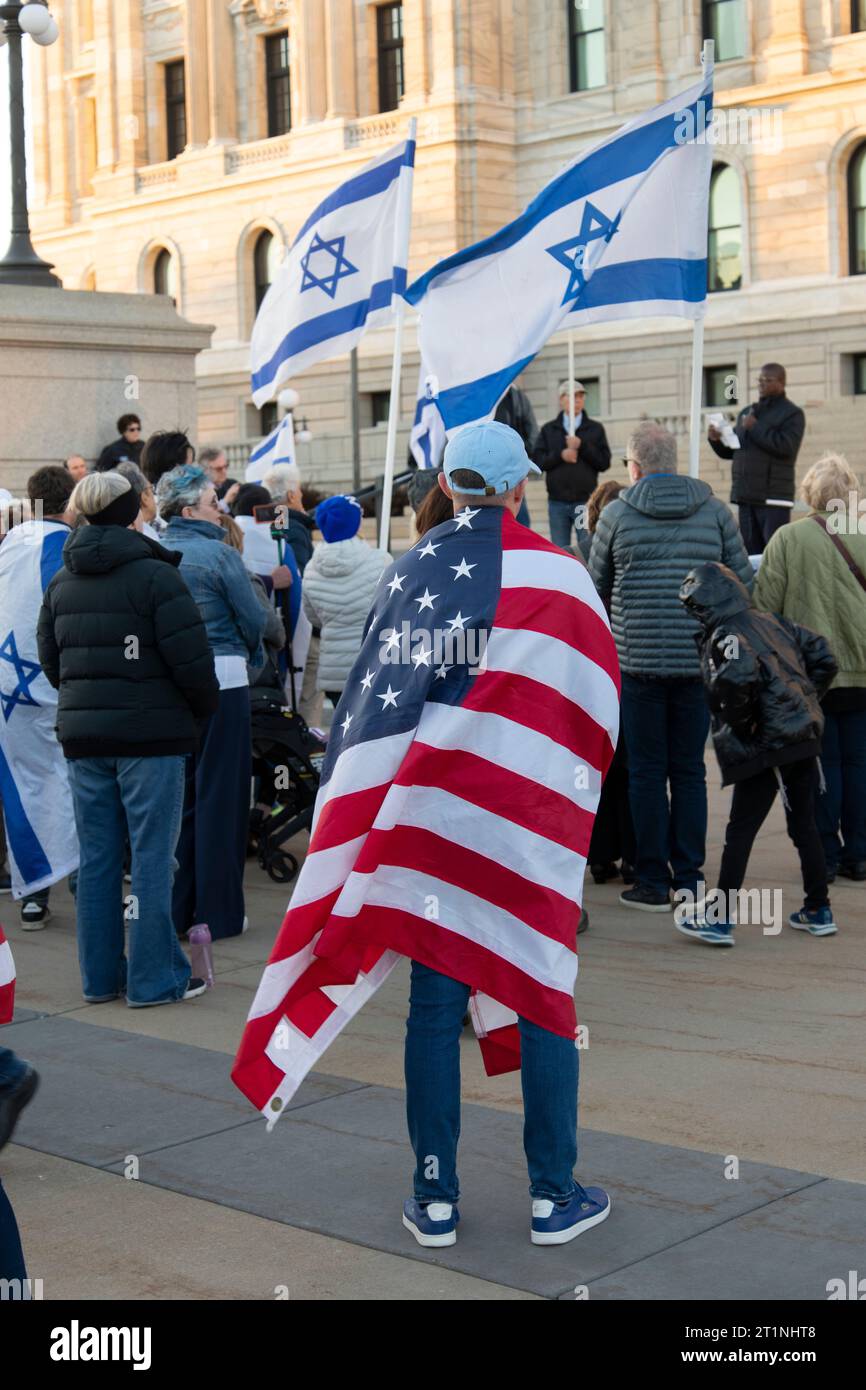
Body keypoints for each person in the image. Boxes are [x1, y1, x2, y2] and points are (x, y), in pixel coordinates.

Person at [232, 421, 620, 1249]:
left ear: (448, 485)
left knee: (433, 1006)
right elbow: (596, 698)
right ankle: (554, 1195)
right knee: (542, 987)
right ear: (520, 487)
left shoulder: (413, 570)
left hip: (430, 820)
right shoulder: (562, 574)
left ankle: (435, 1196)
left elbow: (374, 707)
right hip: (524, 821)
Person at [36, 471, 219, 1004]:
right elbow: (192, 662)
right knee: (152, 858)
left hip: (85, 736)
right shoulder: (155, 576)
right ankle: (153, 979)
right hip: (151, 738)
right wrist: (199, 713)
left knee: (96, 861)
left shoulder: (63, 579)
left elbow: (53, 660)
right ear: (130, 511)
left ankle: (100, 979)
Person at [589, 422, 753, 911]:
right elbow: (743, 583)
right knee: (688, 772)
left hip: (636, 664)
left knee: (643, 772)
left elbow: (595, 586)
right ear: (675, 462)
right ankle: (690, 879)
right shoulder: (715, 512)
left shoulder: (616, 514)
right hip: (698, 664)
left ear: (634, 466)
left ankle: (652, 881)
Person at [677, 562, 838, 944]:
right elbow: (824, 656)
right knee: (804, 825)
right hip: (800, 738)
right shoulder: (771, 621)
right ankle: (819, 909)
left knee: (741, 831)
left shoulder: (727, 634)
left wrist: (752, 725)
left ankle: (719, 919)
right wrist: (800, 703)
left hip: (768, 745)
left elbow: (735, 681)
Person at [157, 465, 267, 941]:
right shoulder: (219, 556)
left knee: (179, 802)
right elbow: (254, 620)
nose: (220, 509)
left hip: (171, 686)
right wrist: (250, 660)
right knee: (222, 801)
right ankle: (217, 914)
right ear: (188, 510)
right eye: (211, 502)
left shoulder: (155, 552)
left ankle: (180, 908)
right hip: (223, 680)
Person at [753, 453, 866, 882]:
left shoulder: (787, 538)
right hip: (861, 668)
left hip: (810, 675)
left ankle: (827, 854)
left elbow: (765, 608)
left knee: (822, 766)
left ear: (809, 492)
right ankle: (860, 853)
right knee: (859, 761)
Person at [0, 467, 79, 928]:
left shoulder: (8, 545)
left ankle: (34, 893)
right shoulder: (64, 545)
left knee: (27, 785)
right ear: (69, 502)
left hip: (10, 688)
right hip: (57, 684)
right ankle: (82, 885)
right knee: (74, 781)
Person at [302, 495, 390, 708]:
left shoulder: (311, 569)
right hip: (373, 664)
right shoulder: (381, 561)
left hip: (334, 670)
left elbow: (313, 617)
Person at [707, 363, 805, 555]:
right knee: (750, 557)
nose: (762, 384)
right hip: (746, 497)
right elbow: (733, 450)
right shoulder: (747, 412)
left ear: (782, 383)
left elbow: (786, 447)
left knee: (775, 555)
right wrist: (716, 440)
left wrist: (756, 427)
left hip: (773, 499)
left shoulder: (792, 413)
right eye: (760, 380)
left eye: (768, 380)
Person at [532, 380, 611, 550]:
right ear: (562, 399)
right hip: (557, 503)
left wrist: (582, 446)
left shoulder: (595, 429)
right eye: (573, 396)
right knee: (560, 551)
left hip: (585, 502)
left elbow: (604, 462)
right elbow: (538, 461)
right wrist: (561, 455)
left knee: (589, 549)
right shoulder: (549, 429)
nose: (578, 400)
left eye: (581, 396)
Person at [494, 383, 539, 527]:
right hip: (488, 470)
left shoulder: (517, 396)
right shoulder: (482, 394)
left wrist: (519, 451)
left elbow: (532, 434)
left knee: (520, 520)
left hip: (510, 468)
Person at [262, 463, 315, 573]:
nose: (301, 494)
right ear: (291, 496)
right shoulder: (294, 529)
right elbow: (298, 575)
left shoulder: (262, 523)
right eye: (299, 489)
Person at [114, 461, 159, 541]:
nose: (154, 495)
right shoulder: (148, 536)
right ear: (144, 496)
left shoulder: (115, 534)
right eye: (151, 488)